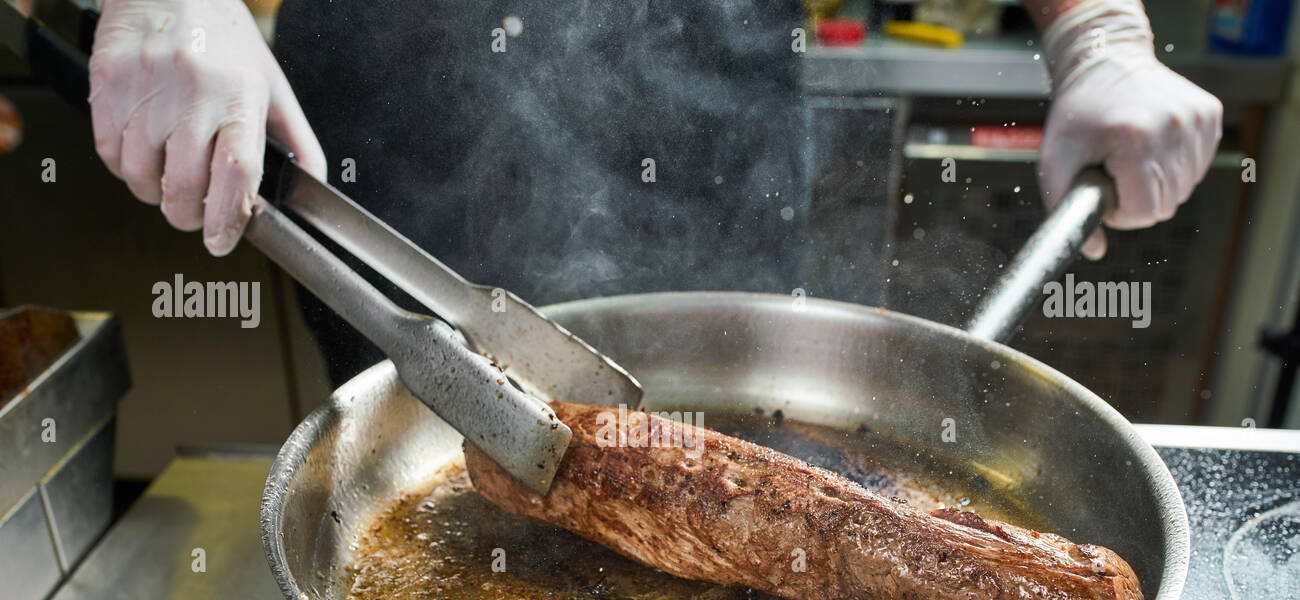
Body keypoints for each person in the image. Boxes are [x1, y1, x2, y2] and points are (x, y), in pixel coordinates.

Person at [87, 0, 1223, 384]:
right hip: (393, 122)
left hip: (713, 103)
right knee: (418, 467)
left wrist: (1093, 27)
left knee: (747, 418)